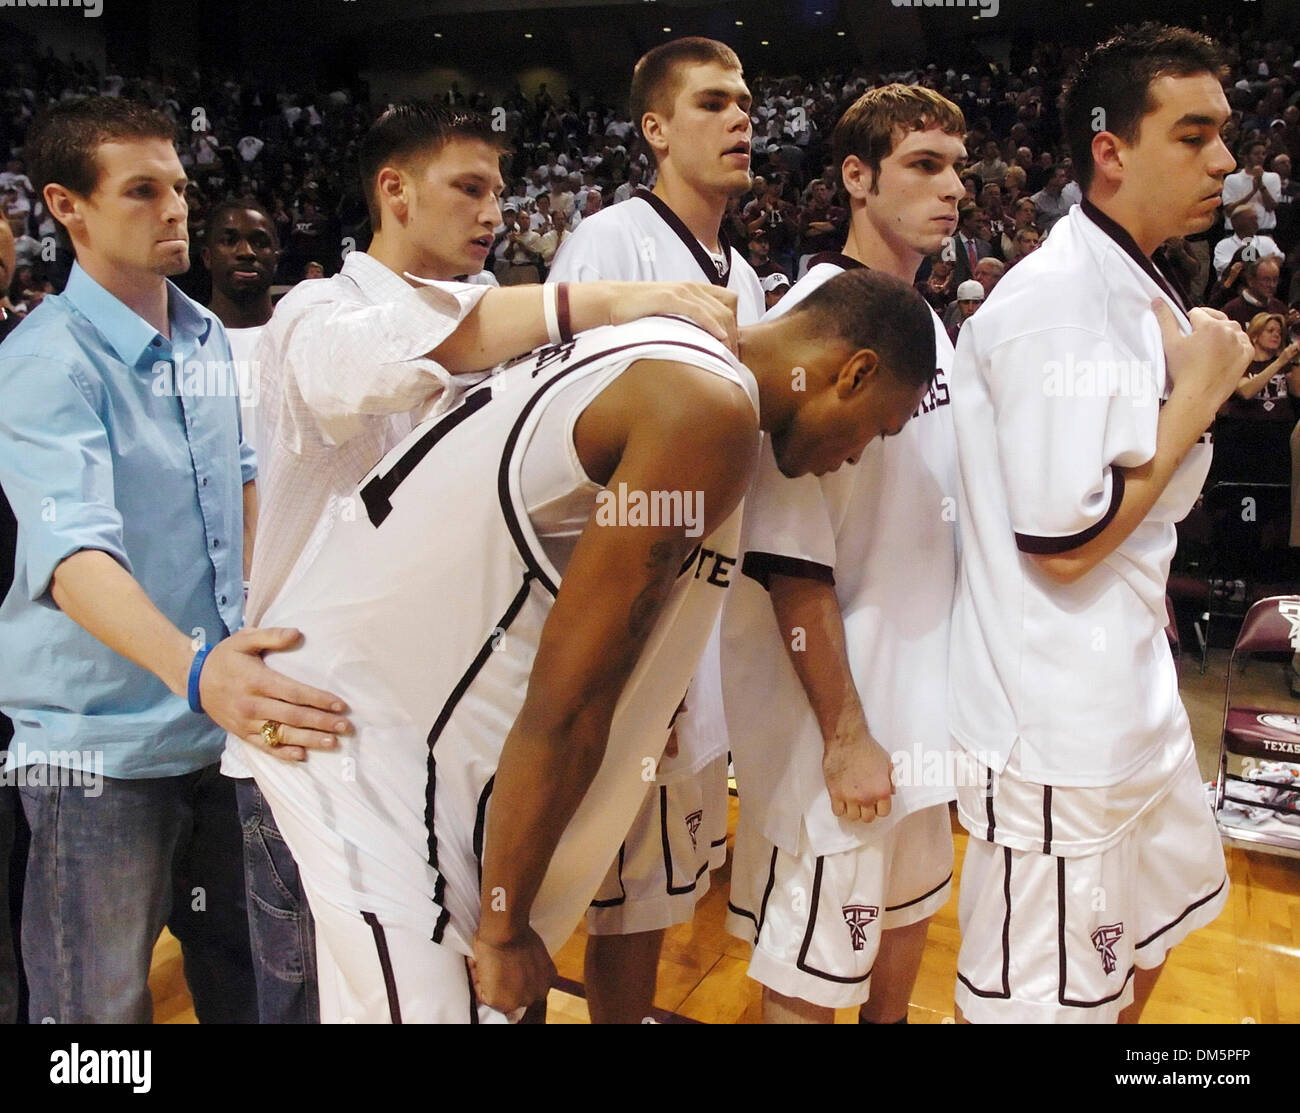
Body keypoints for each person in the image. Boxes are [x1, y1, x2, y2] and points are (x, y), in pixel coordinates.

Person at [242, 267, 937, 1023]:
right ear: (855, 371)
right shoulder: (705, 407)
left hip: (392, 735)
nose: (862, 453)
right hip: (367, 753)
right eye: (881, 426)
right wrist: (505, 928)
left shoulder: (667, 357)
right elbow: (571, 698)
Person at [235, 101, 742, 1022]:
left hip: (461, 744)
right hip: (322, 736)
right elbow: (400, 361)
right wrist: (627, 298)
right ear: (392, 190)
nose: (493, 212)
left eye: (500, 193)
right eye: (468, 187)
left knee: (498, 992)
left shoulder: (509, 331)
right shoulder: (318, 312)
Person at [0, 96, 356, 1024]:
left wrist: (244, 639)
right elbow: (72, 554)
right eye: (143, 190)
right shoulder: (44, 360)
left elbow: (242, 490)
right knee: (95, 1013)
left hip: (217, 726)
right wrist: (203, 673)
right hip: (100, 750)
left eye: (180, 187)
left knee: (260, 983)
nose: (175, 209)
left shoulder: (201, 332)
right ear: (66, 206)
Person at [948, 24, 1253, 1025]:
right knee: (1039, 1008)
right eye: (1193, 135)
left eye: (1225, 134)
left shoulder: (1133, 277)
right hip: (1054, 731)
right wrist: (1198, 396)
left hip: (1131, 701)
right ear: (1110, 152)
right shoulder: (1056, 302)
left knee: (1150, 942)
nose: (1225, 160)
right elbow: (1064, 543)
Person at [721, 83, 963, 1025]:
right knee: (810, 988)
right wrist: (848, 732)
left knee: (897, 964)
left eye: (959, 169)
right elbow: (790, 561)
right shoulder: (815, 327)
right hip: (843, 729)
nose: (952, 190)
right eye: (924, 165)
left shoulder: (922, 326)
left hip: (921, 712)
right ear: (856, 178)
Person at [547, 36, 765, 1023]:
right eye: (714, 103)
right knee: (570, 885)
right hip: (625, 619)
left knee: (644, 895)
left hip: (699, 621)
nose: (740, 120)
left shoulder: (746, 276)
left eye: (746, 104)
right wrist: (624, 646)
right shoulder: (609, 247)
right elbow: (572, 458)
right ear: (655, 128)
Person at [203, 201, 280, 449]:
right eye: (229, 240)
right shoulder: (181, 346)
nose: (246, 252)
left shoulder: (302, 339)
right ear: (207, 256)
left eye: (260, 242)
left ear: (276, 258)